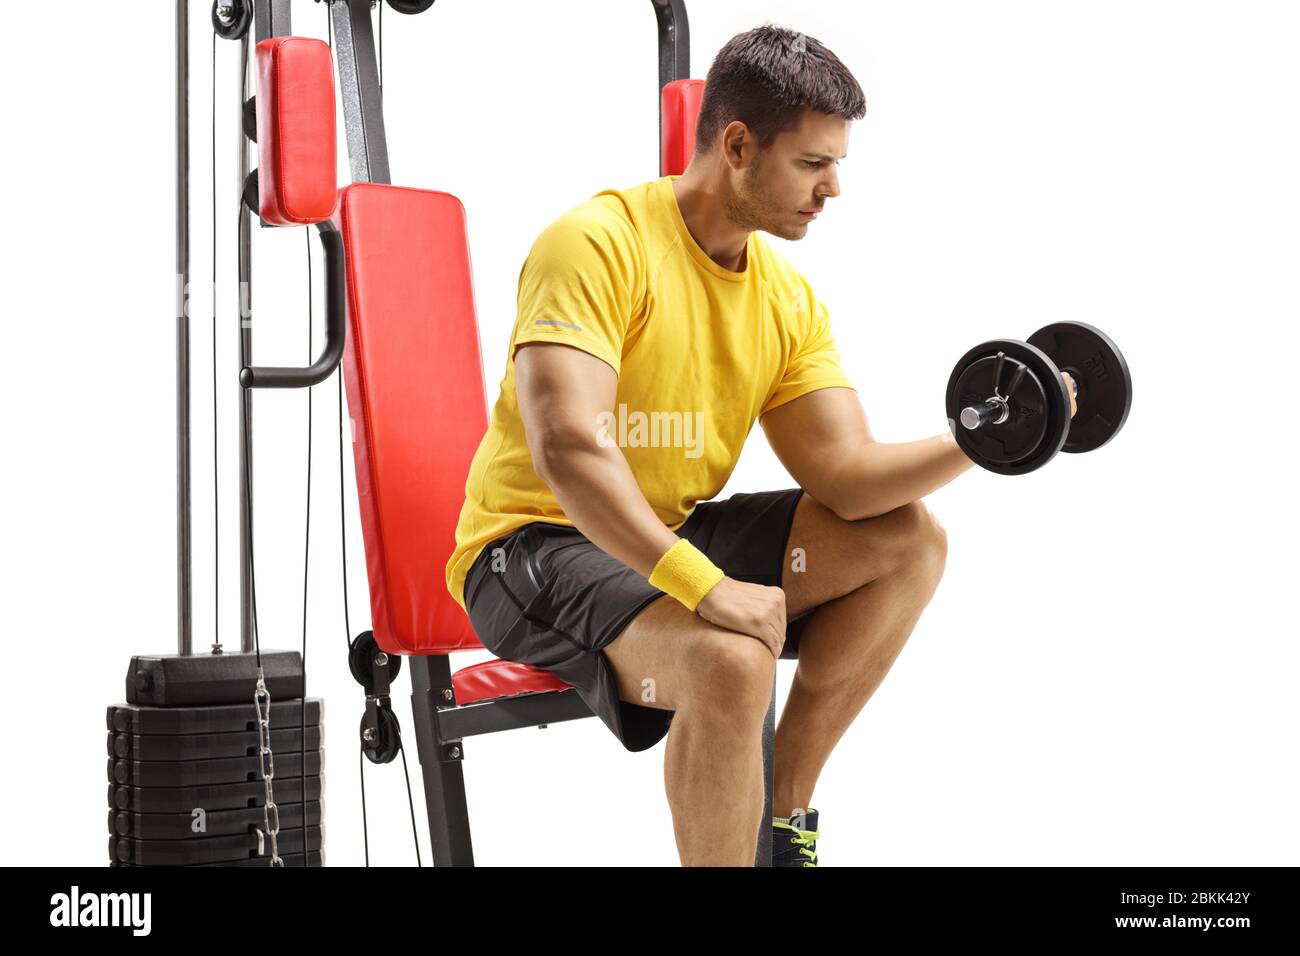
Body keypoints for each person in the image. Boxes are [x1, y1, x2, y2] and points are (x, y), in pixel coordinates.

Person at [446, 23, 966, 866]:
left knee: (909, 540)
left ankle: (784, 816)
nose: (832, 187)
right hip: (530, 550)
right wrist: (707, 586)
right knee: (730, 663)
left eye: (838, 164)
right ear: (735, 145)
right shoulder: (597, 244)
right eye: (811, 163)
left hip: (660, 535)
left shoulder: (785, 300)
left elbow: (850, 480)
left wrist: (983, 437)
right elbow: (571, 449)